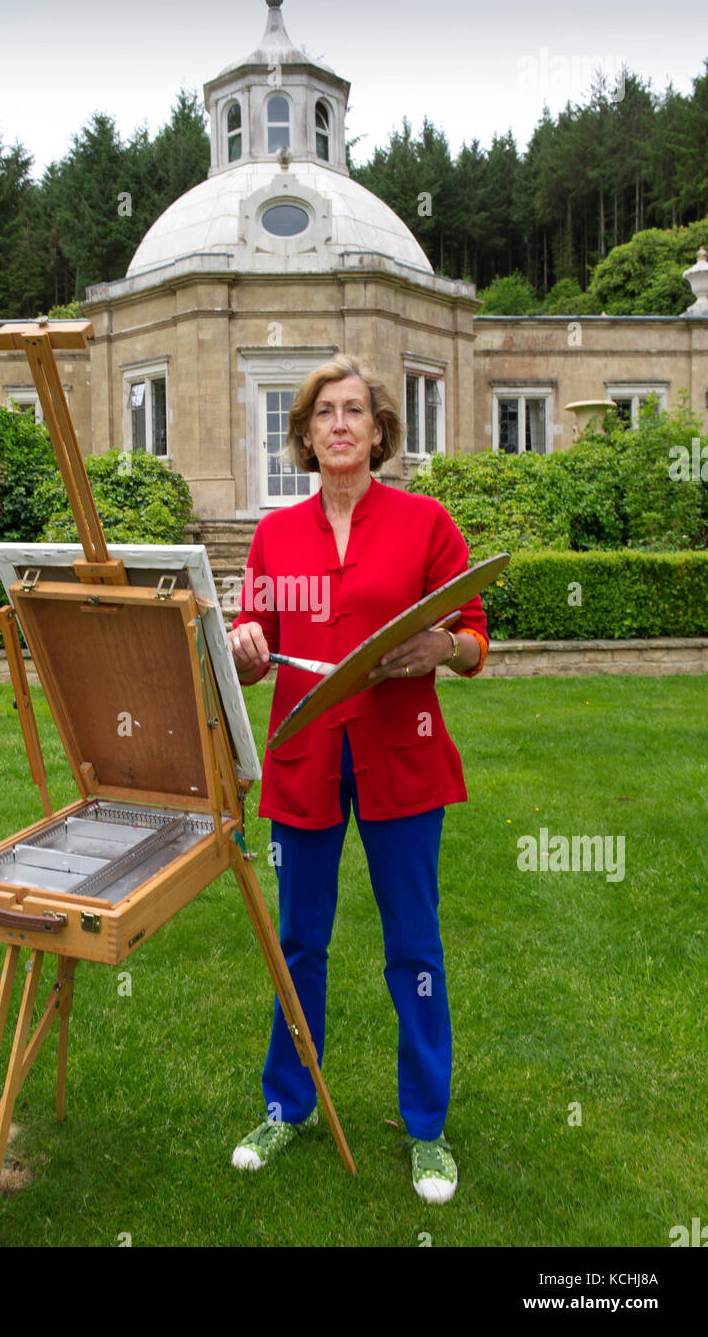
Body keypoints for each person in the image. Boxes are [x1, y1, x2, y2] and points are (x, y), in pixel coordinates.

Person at [229, 354, 489, 1202]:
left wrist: (443, 647)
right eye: (323, 414)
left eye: (354, 411)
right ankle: (287, 1102)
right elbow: (253, 640)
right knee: (298, 941)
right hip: (305, 762)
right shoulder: (274, 535)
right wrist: (243, 645)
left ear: (379, 430)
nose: (339, 425)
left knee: (413, 945)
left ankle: (427, 1129)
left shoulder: (426, 523)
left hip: (401, 757)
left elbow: (476, 635)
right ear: (303, 435)